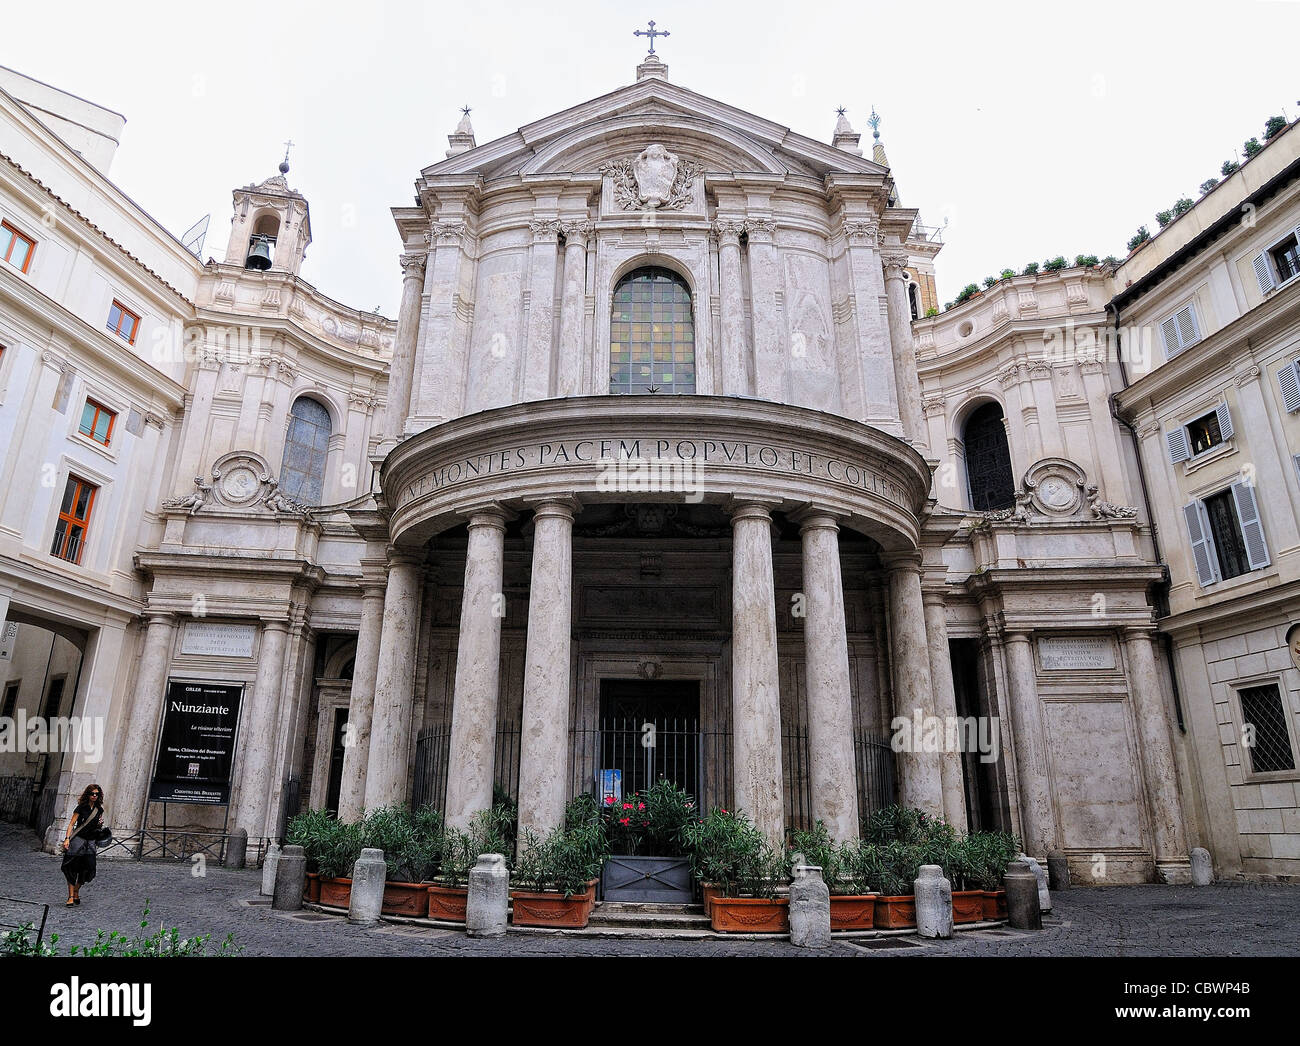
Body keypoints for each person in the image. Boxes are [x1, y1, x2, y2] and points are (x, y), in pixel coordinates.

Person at [60, 784, 106, 907]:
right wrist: (67, 839)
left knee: (89, 869)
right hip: (78, 841)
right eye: (92, 794)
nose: (94, 796)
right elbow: (71, 824)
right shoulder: (81, 808)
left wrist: (100, 825)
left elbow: (97, 825)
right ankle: (70, 896)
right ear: (88, 794)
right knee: (72, 868)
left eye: (97, 794)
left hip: (90, 842)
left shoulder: (99, 809)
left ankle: (76, 890)